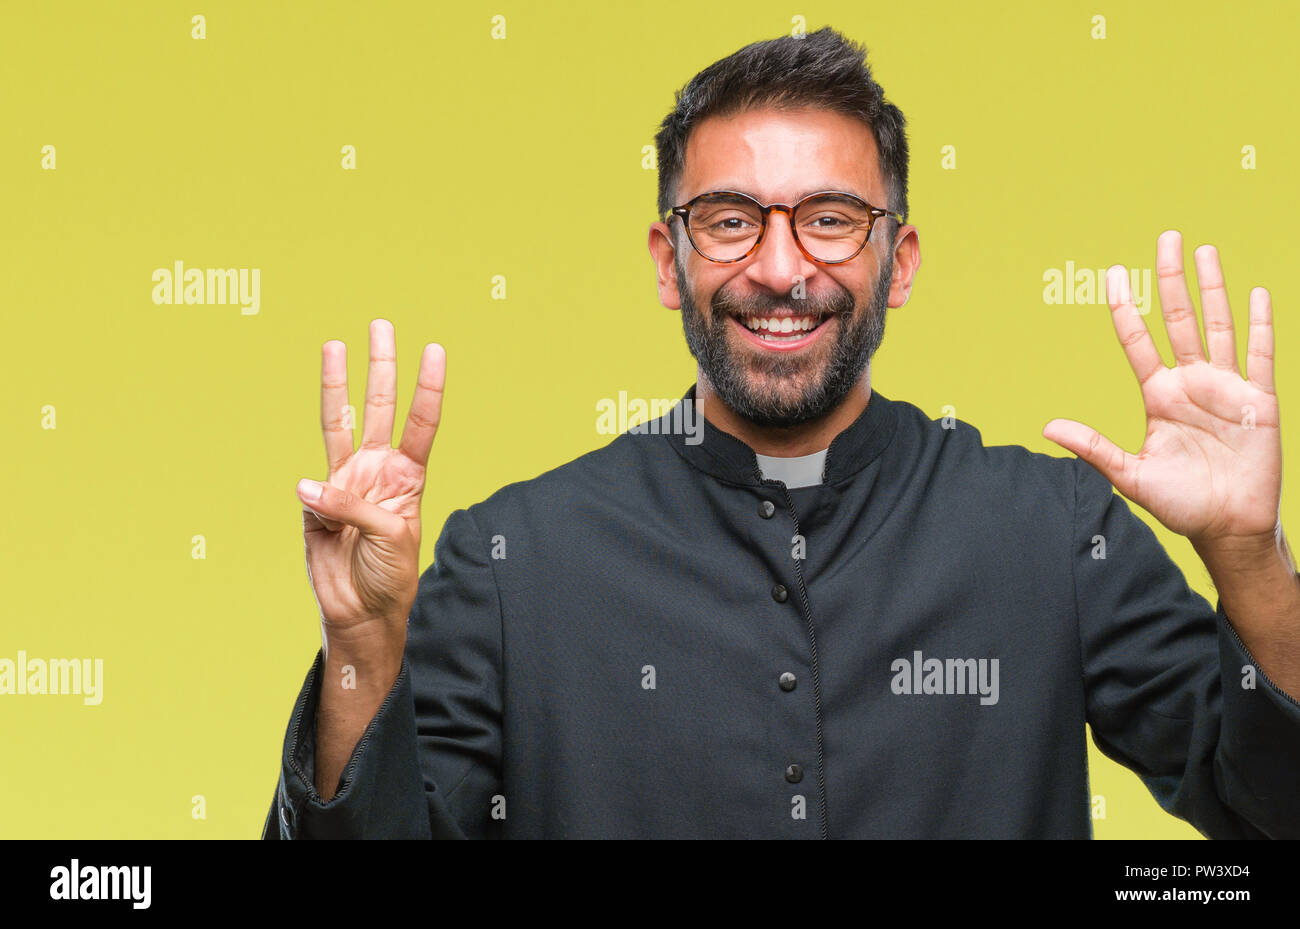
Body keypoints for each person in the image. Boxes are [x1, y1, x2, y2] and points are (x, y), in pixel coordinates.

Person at [262, 26, 1300, 839]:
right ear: (670, 262)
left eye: (831, 217)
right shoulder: (511, 558)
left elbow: (1269, 810)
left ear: (898, 261)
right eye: (728, 218)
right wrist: (360, 644)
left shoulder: (1052, 530)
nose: (778, 265)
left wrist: (1249, 559)